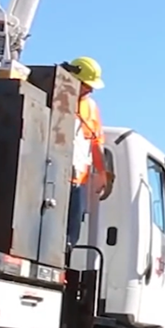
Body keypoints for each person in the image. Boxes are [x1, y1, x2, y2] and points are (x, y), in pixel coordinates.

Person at [63, 56, 107, 247]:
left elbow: (96, 142)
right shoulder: (57, 96)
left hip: (77, 182)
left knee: (71, 236)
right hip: (54, 178)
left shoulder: (90, 107)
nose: (90, 90)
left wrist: (103, 172)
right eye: (86, 85)